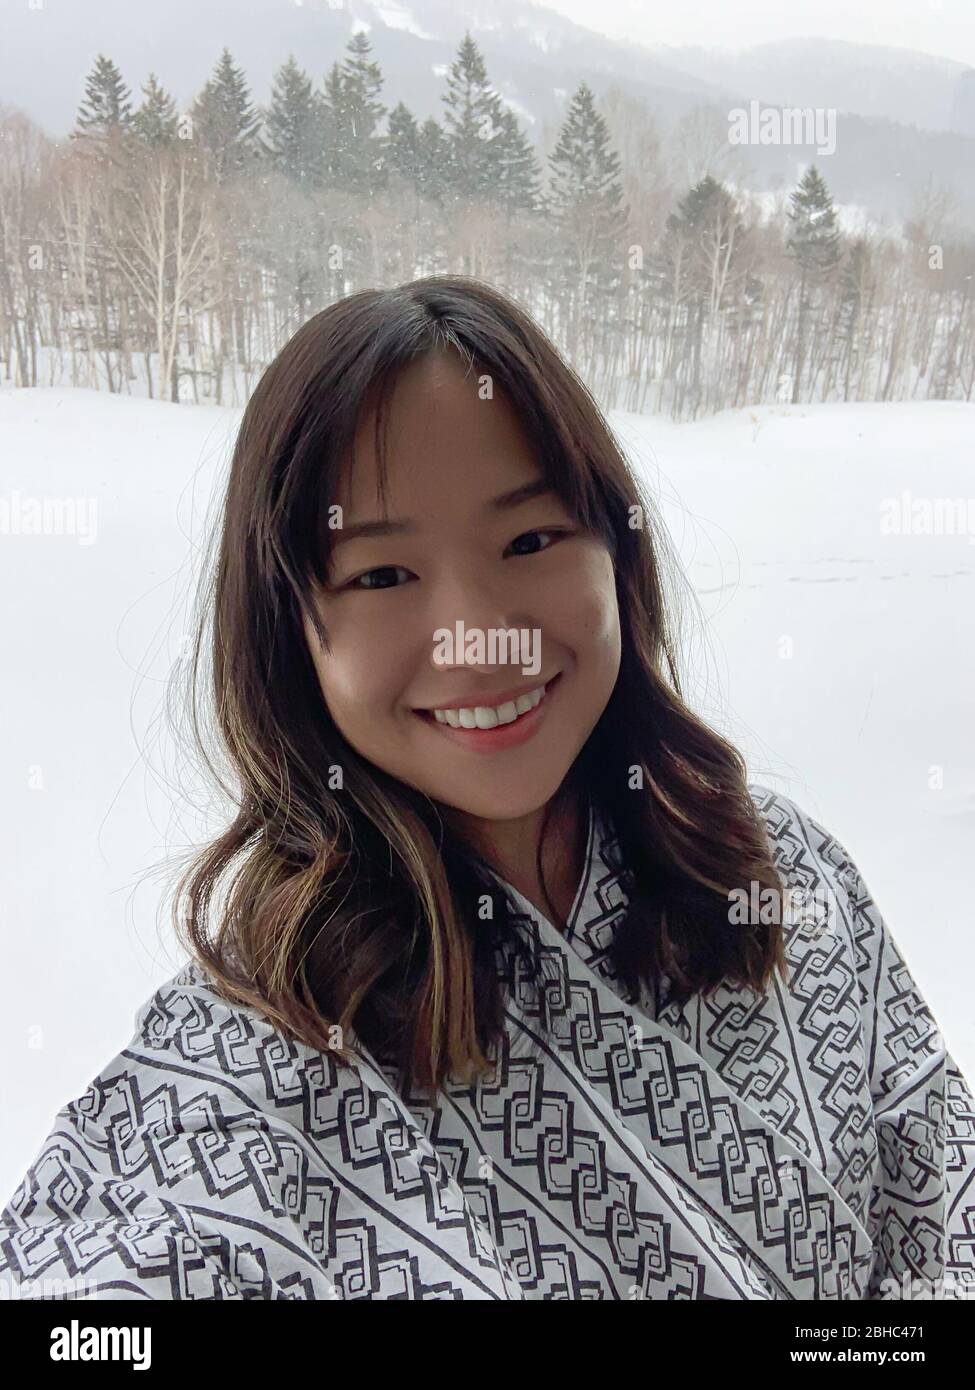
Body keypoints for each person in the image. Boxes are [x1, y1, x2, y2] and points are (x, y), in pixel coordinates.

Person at [2, 277, 973, 1301]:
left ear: (617, 553)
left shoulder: (779, 872)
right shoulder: (265, 1044)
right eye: (382, 575)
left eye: (529, 541)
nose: (479, 635)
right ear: (290, 632)